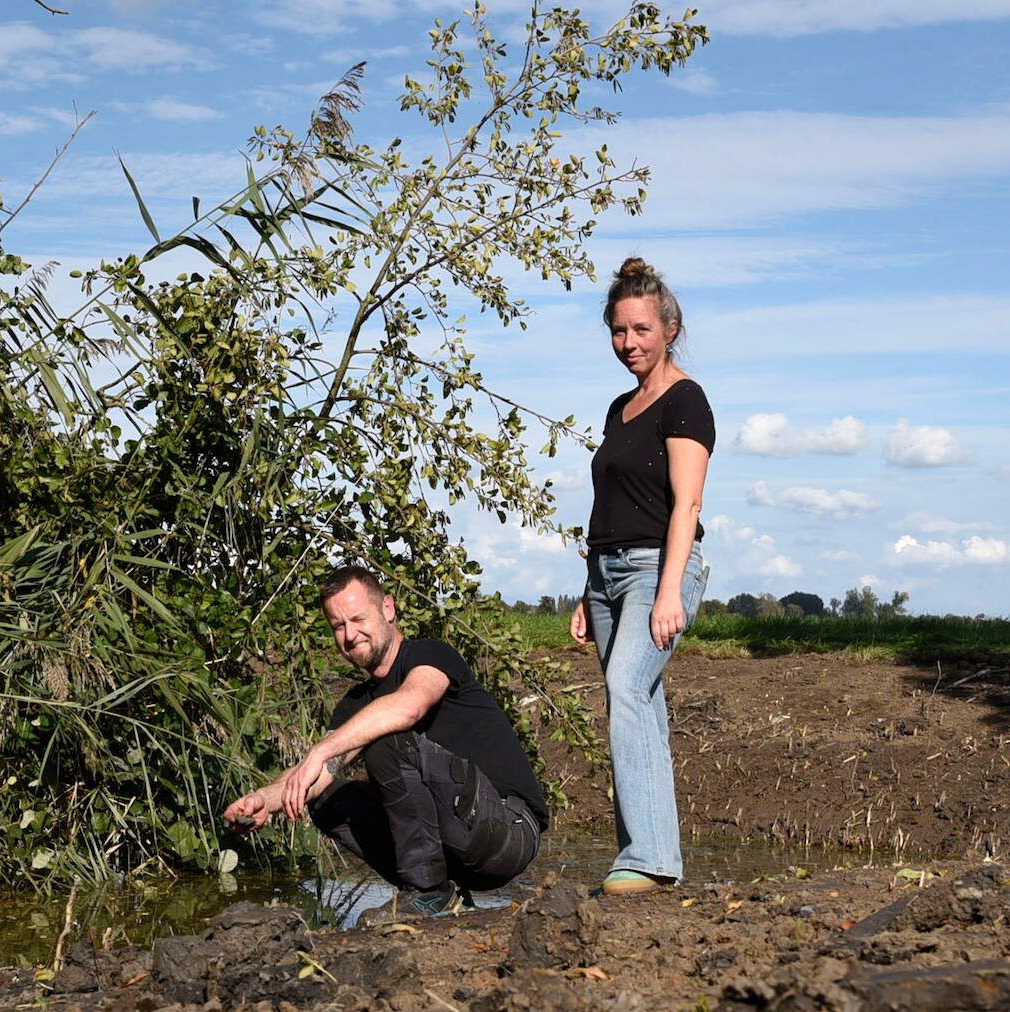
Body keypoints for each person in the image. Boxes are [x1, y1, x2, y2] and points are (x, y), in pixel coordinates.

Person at [224, 565, 548, 925]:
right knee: (326, 798)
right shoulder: (356, 704)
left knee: (388, 741)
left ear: (388, 609)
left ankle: (426, 893)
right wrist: (264, 800)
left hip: (508, 830)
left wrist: (322, 749)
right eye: (338, 626)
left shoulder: (430, 654)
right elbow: (313, 776)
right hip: (458, 846)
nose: (350, 635)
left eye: (357, 619)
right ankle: (441, 893)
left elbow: (409, 707)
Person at [571, 257, 714, 896]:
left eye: (641, 330)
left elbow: (687, 503)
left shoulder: (686, 400)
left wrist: (669, 591)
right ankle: (660, 859)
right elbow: (609, 505)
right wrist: (587, 590)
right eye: (618, 330)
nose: (629, 342)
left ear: (670, 330)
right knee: (640, 704)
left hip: (658, 568)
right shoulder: (619, 408)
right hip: (605, 575)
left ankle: (647, 855)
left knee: (627, 687)